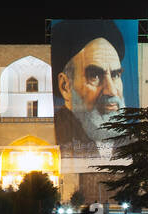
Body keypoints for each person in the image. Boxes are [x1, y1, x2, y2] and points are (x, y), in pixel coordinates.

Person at [51, 19, 127, 150]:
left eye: (115, 75)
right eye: (95, 76)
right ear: (65, 86)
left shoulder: (130, 141)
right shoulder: (52, 135)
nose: (112, 91)